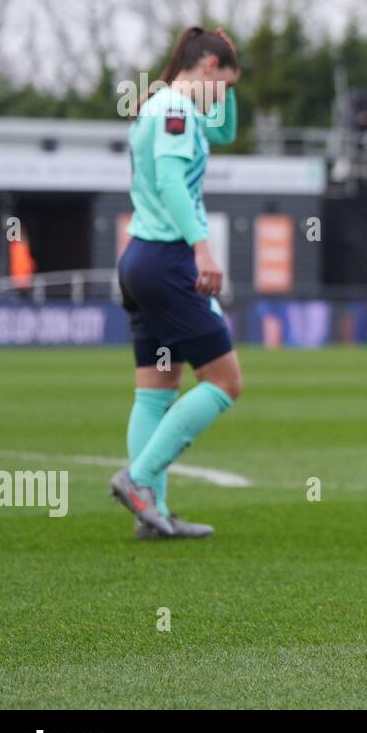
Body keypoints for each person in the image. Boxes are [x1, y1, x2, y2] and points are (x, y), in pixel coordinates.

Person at [109, 27, 245, 539]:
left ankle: (153, 514)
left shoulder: (163, 105)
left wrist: (232, 74)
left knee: (156, 389)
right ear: (207, 66)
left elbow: (226, 132)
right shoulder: (175, 111)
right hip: (168, 262)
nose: (225, 99)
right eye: (225, 85)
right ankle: (140, 480)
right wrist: (202, 245)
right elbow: (169, 181)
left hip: (139, 257)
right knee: (225, 381)